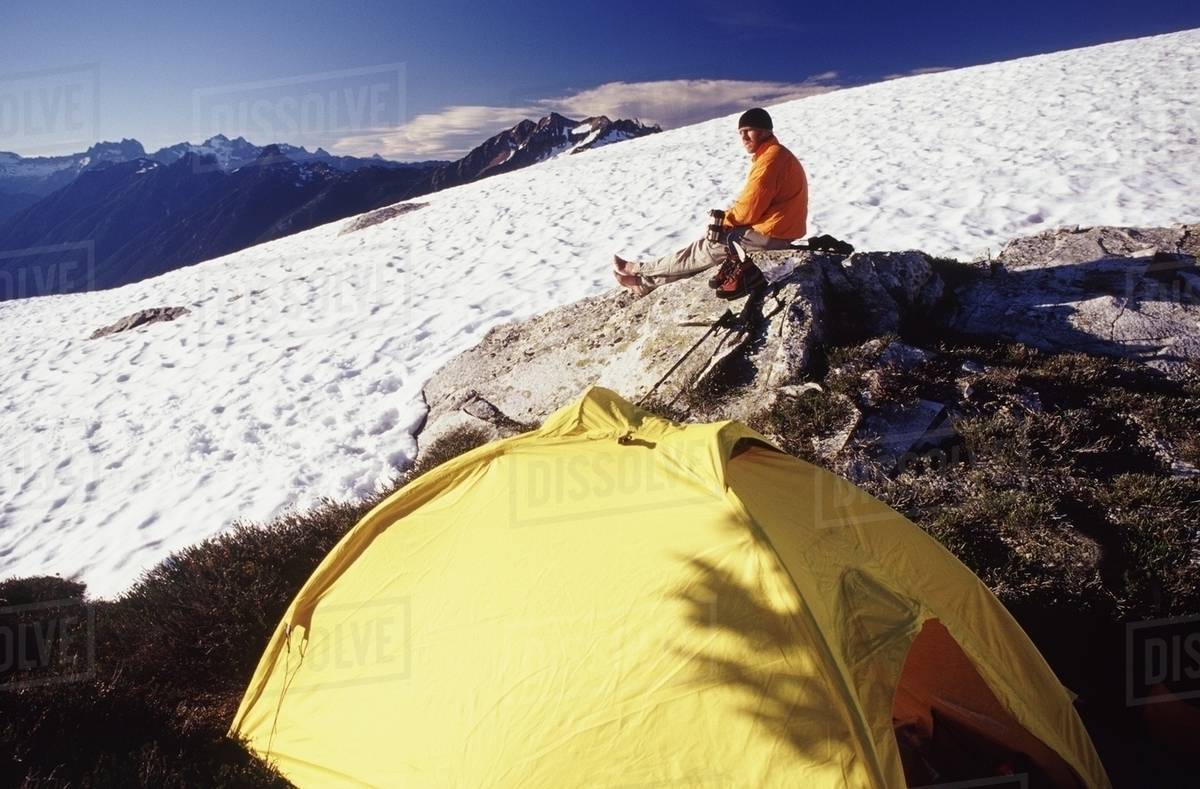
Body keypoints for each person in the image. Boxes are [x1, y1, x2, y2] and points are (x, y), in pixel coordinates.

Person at [613, 107, 808, 298]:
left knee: (704, 249)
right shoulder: (775, 155)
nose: (744, 137)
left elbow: (749, 210)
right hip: (777, 233)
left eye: (749, 130)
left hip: (770, 235)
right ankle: (643, 284)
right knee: (708, 259)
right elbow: (753, 204)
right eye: (741, 132)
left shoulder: (770, 160)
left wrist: (724, 222)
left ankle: (638, 269)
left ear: (765, 131)